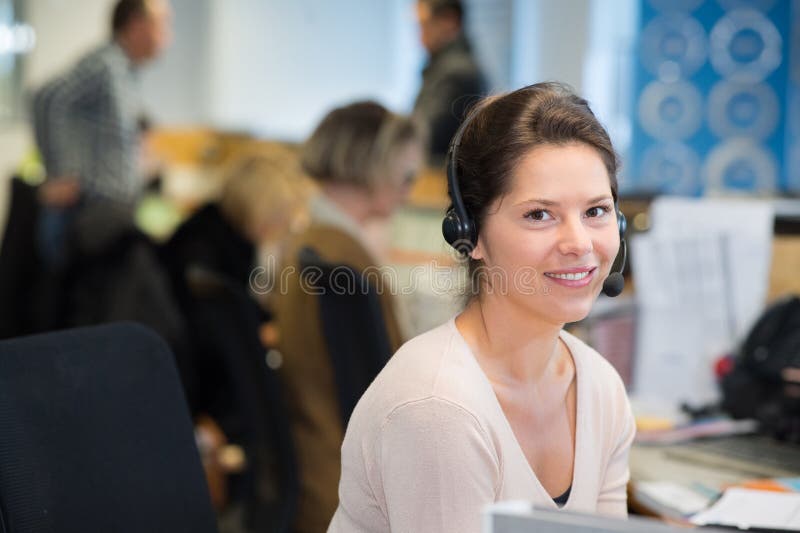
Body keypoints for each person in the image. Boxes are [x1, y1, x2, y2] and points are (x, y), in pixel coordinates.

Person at [328, 83, 636, 533]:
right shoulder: (439, 409)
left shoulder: (600, 388)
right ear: (469, 234)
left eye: (596, 211)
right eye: (539, 214)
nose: (579, 243)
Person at [273, 101, 425, 533]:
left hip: (314, 472)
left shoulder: (307, 243)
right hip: (346, 494)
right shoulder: (345, 258)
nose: (409, 191)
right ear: (371, 166)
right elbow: (390, 397)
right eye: (406, 176)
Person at [32, 0, 172, 267]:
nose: (168, 34)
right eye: (162, 23)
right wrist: (61, 172)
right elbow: (48, 99)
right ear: (136, 26)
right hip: (87, 214)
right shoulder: (106, 65)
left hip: (108, 215)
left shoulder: (127, 72)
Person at [413, 0, 486, 164]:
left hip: (441, 176)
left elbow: (426, 137)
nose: (420, 38)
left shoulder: (455, 73)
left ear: (448, 21)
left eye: (424, 25)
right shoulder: (445, 68)